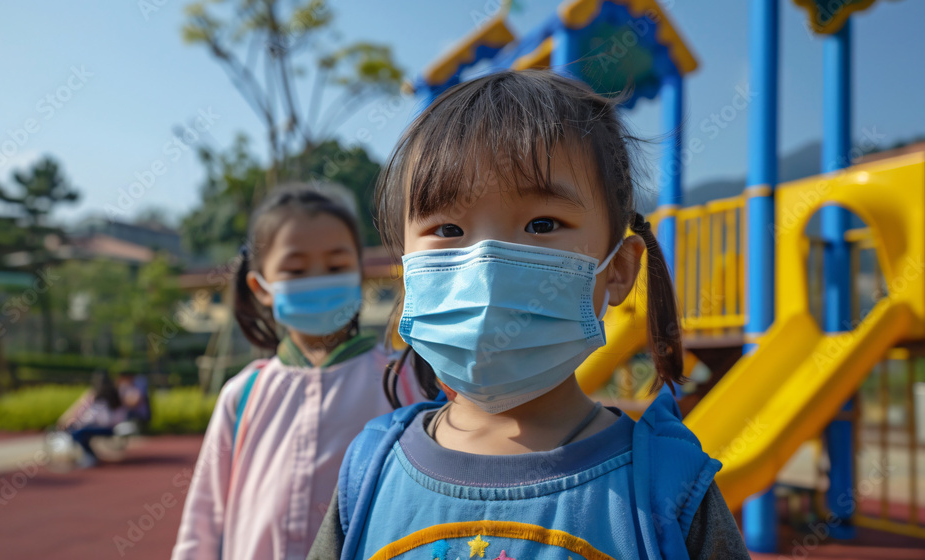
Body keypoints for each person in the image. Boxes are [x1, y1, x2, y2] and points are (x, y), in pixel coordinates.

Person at [307, 70, 750, 560]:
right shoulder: (369, 469)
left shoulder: (670, 490)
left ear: (618, 270)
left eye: (542, 224)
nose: (487, 267)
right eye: (448, 228)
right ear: (408, 269)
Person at [171, 183, 421, 560]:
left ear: (359, 274)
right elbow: (202, 525)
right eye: (296, 269)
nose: (318, 279)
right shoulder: (243, 395)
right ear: (261, 287)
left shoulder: (402, 382)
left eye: (336, 266)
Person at [57, 370, 128, 468]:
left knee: (77, 433)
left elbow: (78, 410)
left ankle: (88, 456)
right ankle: (89, 455)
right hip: (113, 428)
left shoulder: (94, 394)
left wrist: (64, 421)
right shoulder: (115, 393)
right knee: (81, 432)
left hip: (103, 427)